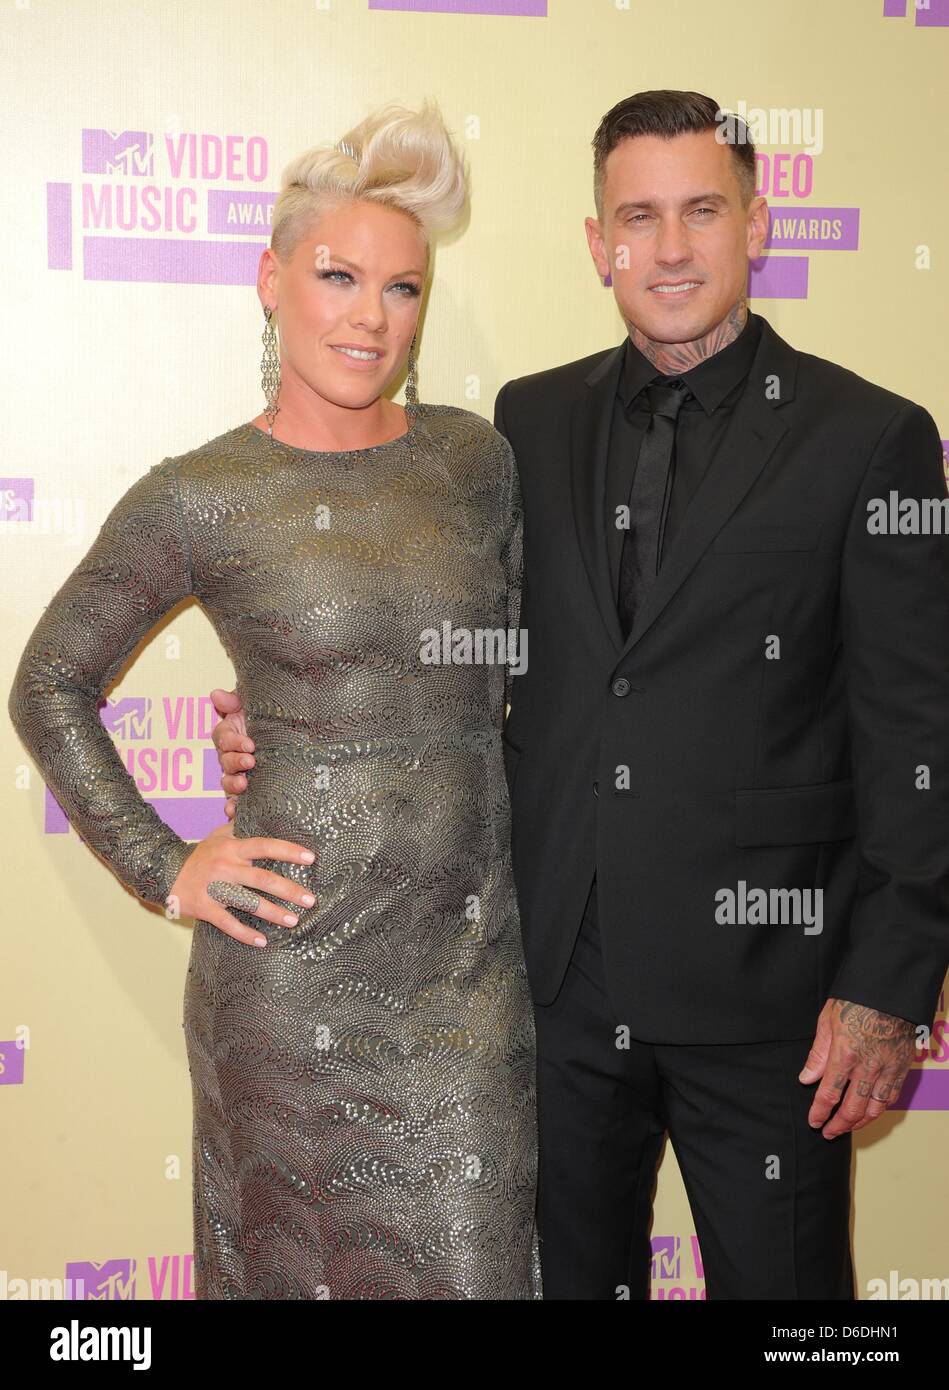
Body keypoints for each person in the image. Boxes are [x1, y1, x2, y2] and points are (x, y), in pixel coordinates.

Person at [213, 90, 949, 1300]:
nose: (670, 248)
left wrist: (888, 986)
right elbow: (483, 647)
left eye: (701, 211)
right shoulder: (531, 420)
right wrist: (304, 719)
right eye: (638, 218)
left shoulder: (866, 437)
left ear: (758, 226)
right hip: (554, 987)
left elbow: (918, 732)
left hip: (773, 997)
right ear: (598, 242)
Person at [8, 101, 541, 1301]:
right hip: (288, 987)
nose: (370, 316)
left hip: (466, 977)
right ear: (271, 280)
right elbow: (49, 681)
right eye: (338, 276)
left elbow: (507, 680)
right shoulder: (201, 492)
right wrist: (167, 866)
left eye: (402, 289)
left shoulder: (474, 461)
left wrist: (333, 724)